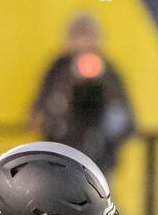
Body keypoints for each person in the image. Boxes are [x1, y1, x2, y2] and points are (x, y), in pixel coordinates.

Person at [31, 14, 134, 175]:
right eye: (79, 34)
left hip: (100, 159)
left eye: (88, 35)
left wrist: (107, 137)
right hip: (61, 156)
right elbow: (39, 110)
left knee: (98, 195)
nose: (83, 41)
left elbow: (124, 117)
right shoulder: (58, 69)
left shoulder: (108, 71)